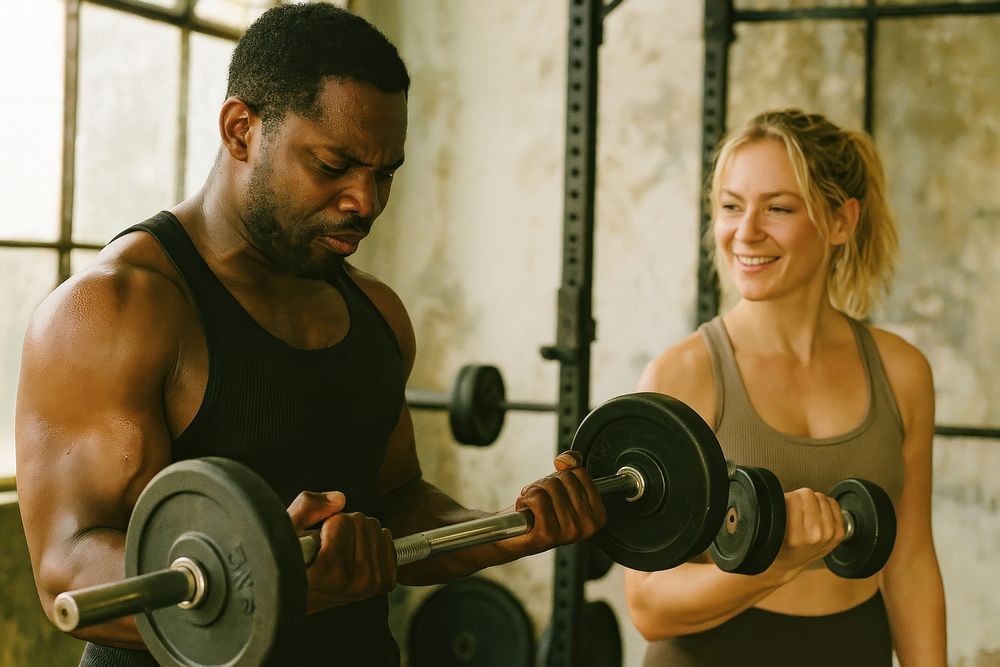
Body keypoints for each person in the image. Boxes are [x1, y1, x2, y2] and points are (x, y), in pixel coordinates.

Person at [14, 4, 607, 666]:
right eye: (333, 165)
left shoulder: (377, 311)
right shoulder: (117, 310)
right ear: (241, 130)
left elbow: (397, 502)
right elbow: (68, 572)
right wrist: (273, 580)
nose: (367, 200)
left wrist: (510, 529)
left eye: (384, 173)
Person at [624, 109, 946, 666]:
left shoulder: (902, 372)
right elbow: (649, 604)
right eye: (730, 206)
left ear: (842, 222)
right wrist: (778, 561)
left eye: (778, 208)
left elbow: (910, 561)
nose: (745, 232)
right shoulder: (681, 377)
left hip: (853, 650)